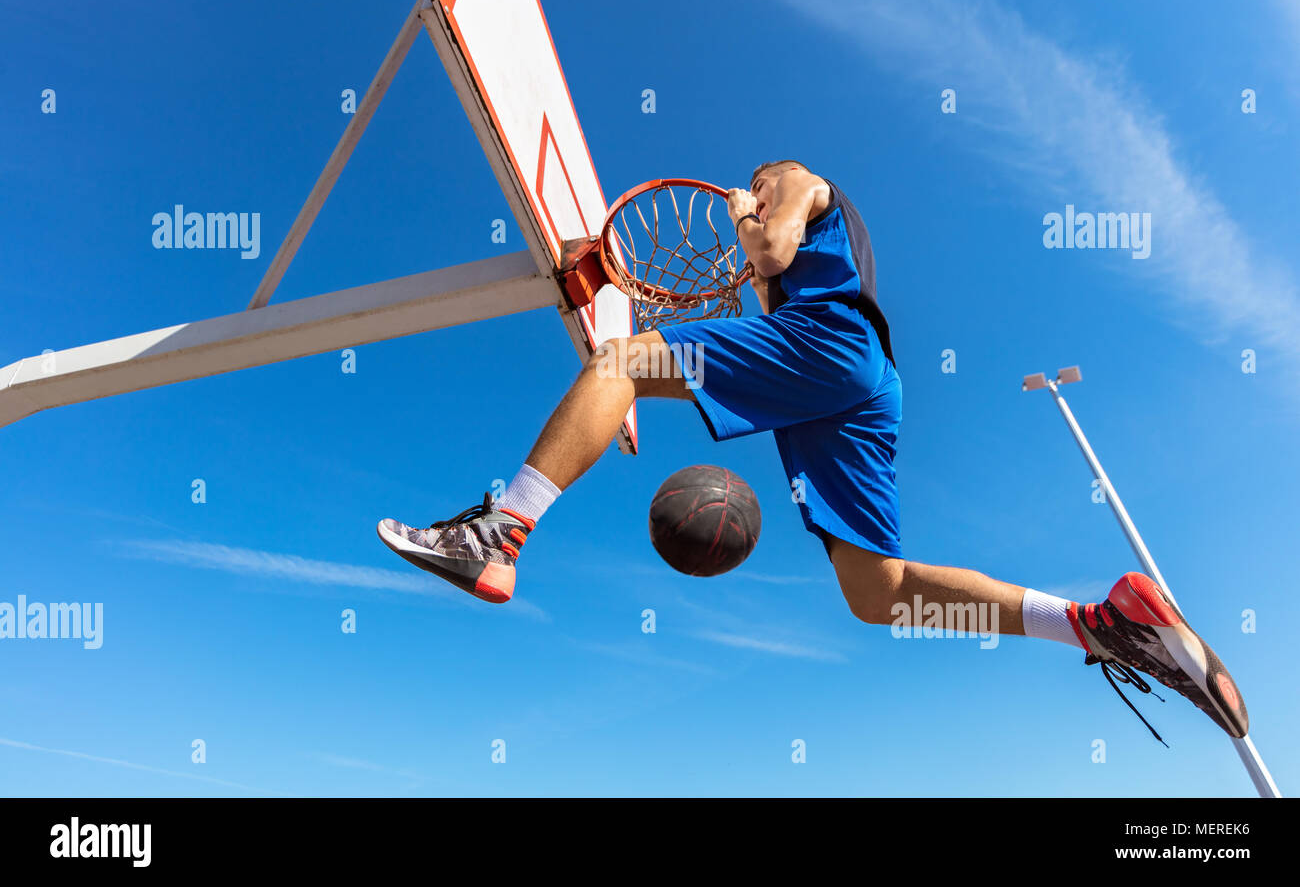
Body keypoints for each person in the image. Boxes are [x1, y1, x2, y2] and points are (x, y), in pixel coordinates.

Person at [378, 160, 1249, 743]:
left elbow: (773, 246)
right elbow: (766, 295)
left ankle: (501, 532)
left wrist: (751, 214)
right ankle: (1103, 625)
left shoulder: (795, 180)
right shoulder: (810, 257)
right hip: (849, 381)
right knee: (879, 595)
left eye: (753, 176)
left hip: (833, 346)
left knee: (623, 362)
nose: (750, 185)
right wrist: (697, 273)